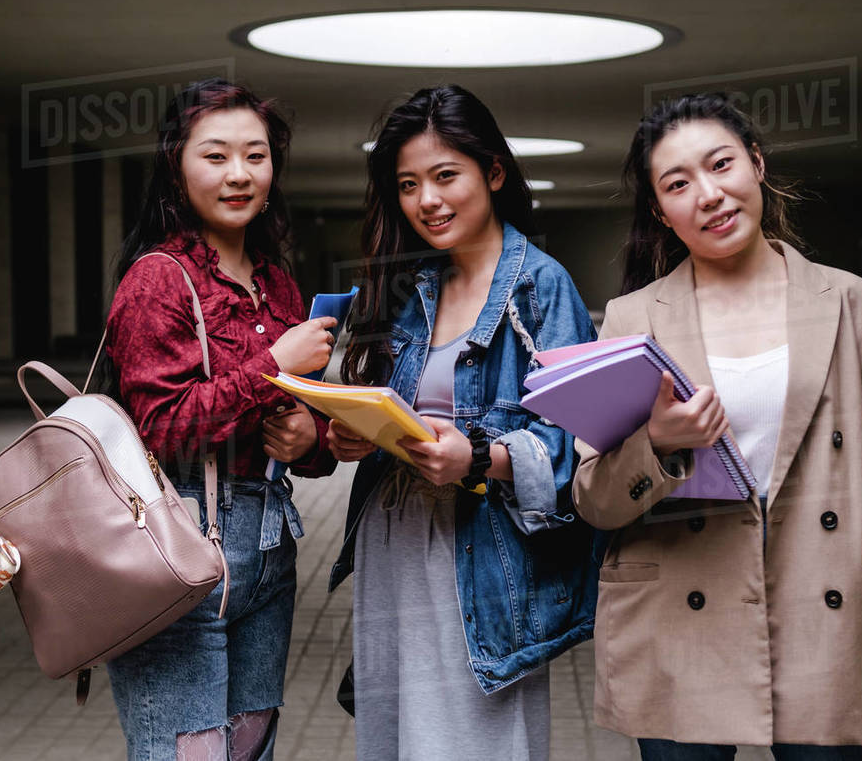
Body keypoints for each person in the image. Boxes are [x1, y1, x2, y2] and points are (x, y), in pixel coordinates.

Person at [572, 92, 862, 759]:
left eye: (721, 165)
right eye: (678, 184)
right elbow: (594, 501)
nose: (707, 195)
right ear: (661, 210)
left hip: (820, 617)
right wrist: (661, 443)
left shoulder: (854, 304)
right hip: (676, 624)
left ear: (757, 165)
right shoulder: (632, 320)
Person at [326, 84, 601, 761]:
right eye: (409, 183)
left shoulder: (543, 287)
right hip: (394, 543)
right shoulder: (410, 287)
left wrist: (480, 457)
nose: (428, 200)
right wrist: (354, 433)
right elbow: (394, 411)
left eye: (446, 175)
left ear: (494, 173)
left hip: (482, 556)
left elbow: (575, 453)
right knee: (397, 741)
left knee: (474, 743)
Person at [101, 78, 338, 761]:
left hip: (269, 542)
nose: (240, 174)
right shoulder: (159, 278)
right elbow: (161, 429)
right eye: (216, 156)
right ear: (176, 165)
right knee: (187, 753)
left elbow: (304, 422)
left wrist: (308, 440)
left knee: (251, 747)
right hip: (176, 544)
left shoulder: (276, 280)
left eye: (256, 156)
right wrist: (270, 365)